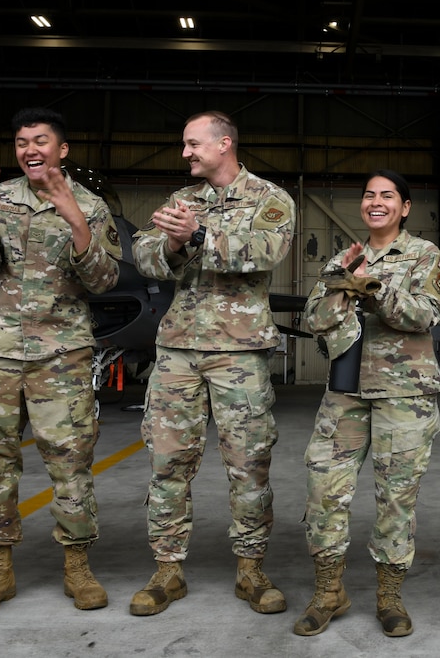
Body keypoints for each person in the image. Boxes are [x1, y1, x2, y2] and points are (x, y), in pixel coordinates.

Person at [0, 107, 122, 616]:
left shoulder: (91, 205)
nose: (31, 149)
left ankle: (77, 565)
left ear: (62, 150)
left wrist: (75, 220)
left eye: (41, 140)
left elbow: (104, 282)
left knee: (70, 462)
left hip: (61, 353)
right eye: (23, 141)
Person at [129, 111, 294, 617]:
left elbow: (267, 252)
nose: (186, 153)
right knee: (167, 463)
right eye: (184, 145)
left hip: (238, 354)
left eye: (193, 144)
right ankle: (167, 569)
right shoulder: (182, 202)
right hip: (179, 349)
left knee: (248, 466)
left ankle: (250, 569)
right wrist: (175, 242)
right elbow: (144, 254)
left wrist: (199, 237)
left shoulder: (269, 198)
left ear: (225, 144)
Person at [292, 170, 440, 637]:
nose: (375, 202)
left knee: (395, 501)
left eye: (387, 196)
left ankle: (389, 597)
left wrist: (372, 289)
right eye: (368, 195)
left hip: (405, 396)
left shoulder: (424, 255)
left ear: (404, 208)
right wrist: (345, 285)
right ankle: (329, 591)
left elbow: (425, 314)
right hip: (345, 393)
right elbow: (314, 318)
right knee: (324, 490)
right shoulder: (345, 257)